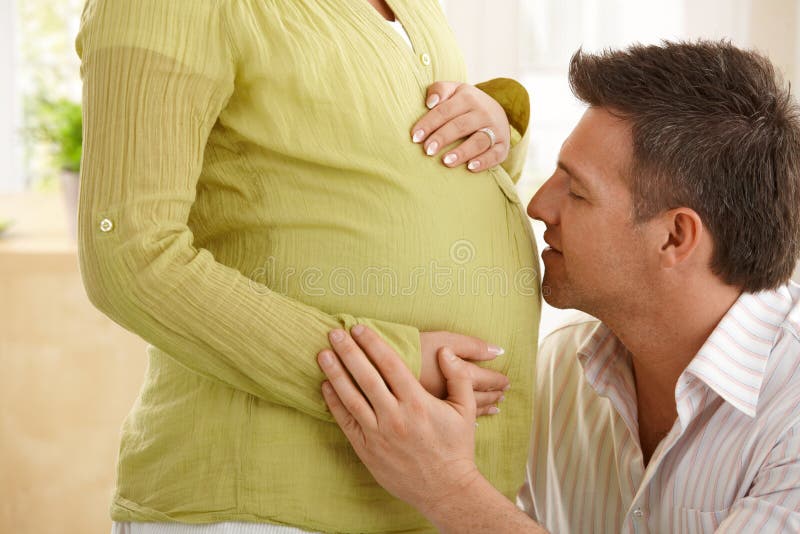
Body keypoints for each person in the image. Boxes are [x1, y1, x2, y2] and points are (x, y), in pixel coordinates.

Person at [76, 0, 541, 532]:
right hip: (264, 503)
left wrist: (492, 129)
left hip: (437, 500)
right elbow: (132, 257)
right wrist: (382, 372)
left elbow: (392, 170)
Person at [317, 40, 800, 532]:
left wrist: (446, 487)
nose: (539, 206)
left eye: (577, 191)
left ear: (675, 236)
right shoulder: (562, 373)